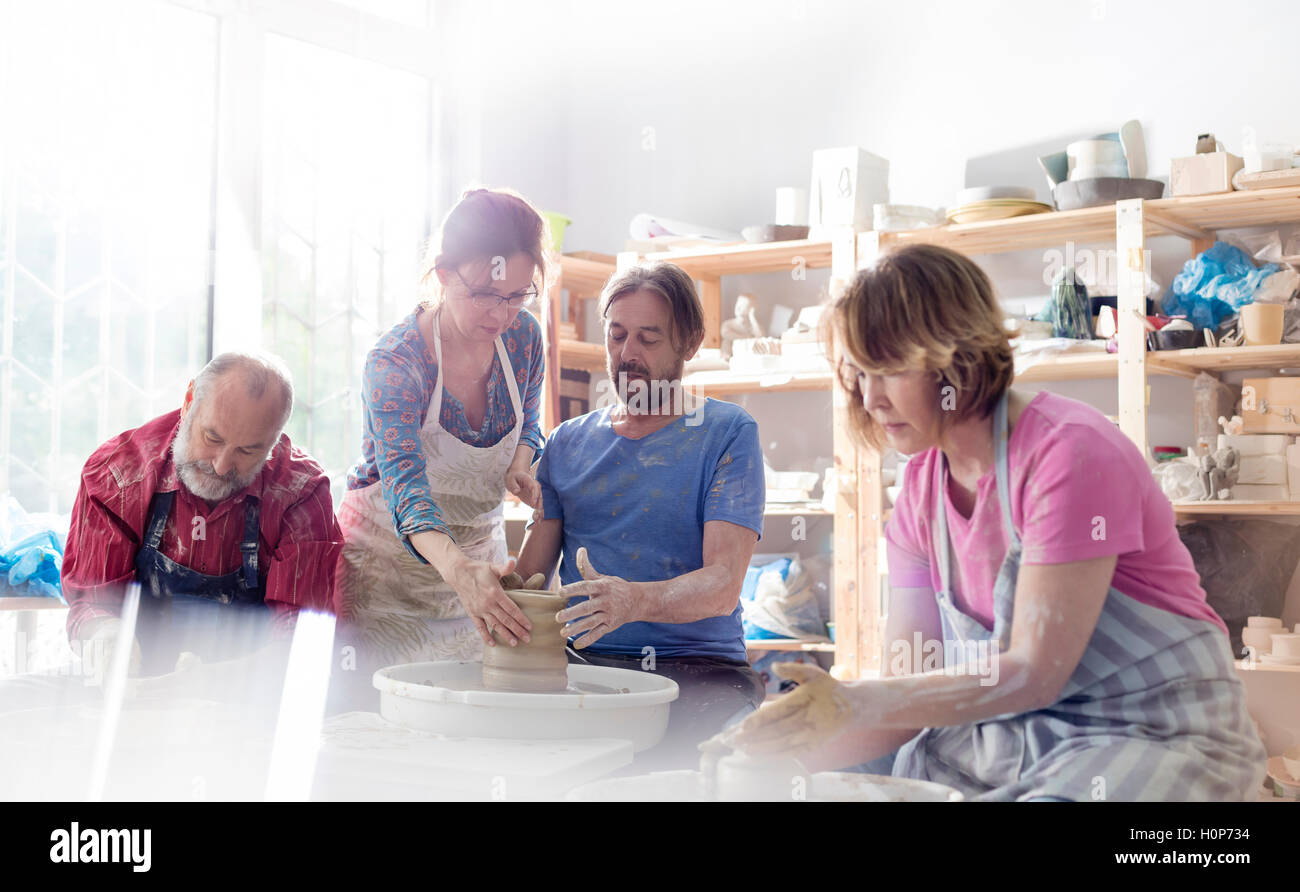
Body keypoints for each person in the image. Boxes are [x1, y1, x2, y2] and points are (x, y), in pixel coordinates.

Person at [721, 243, 1268, 801]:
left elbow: (1035, 672)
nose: (872, 398)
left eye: (889, 369)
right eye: (858, 373)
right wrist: (771, 755)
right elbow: (902, 691)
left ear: (957, 355)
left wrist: (854, 701)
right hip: (1006, 738)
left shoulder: (1069, 453)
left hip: (1151, 736)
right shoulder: (918, 492)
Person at [516, 261, 766, 769]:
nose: (628, 355)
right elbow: (529, 579)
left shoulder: (727, 433)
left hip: (700, 671)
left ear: (689, 342)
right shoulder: (567, 442)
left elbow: (723, 584)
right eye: (617, 335)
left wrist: (633, 601)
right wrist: (492, 588)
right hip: (586, 666)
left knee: (688, 776)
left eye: (649, 339)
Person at [333, 188, 548, 698]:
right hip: (385, 587)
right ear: (444, 274)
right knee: (388, 735)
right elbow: (406, 493)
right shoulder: (397, 362)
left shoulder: (524, 340)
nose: (500, 313)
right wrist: (458, 570)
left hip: (476, 581)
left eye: (516, 296)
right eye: (483, 294)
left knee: (470, 732)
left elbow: (531, 427)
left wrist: (521, 466)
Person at [59, 350, 341, 692]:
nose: (222, 466)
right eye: (213, 438)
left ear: (275, 438)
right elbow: (91, 602)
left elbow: (305, 638)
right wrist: (102, 631)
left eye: (248, 451)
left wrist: (217, 680)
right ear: (189, 401)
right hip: (134, 689)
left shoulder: (301, 492)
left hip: (250, 693)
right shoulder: (118, 475)